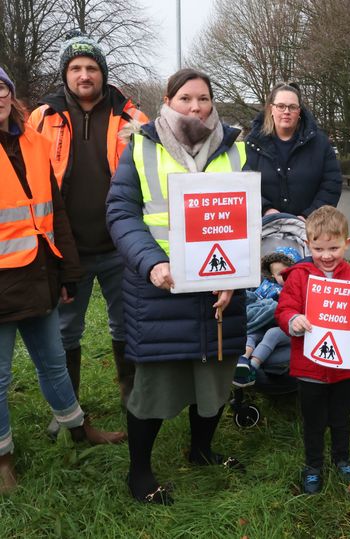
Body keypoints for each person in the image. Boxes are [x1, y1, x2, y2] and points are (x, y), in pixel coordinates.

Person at [106, 69, 247, 505]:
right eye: (185, 98)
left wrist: (235, 275)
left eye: (203, 98)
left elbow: (244, 217)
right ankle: (140, 473)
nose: (196, 107)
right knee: (156, 383)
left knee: (214, 378)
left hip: (219, 290)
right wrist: (152, 262)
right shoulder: (140, 148)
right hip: (160, 291)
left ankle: (202, 450)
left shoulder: (236, 148)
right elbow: (121, 213)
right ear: (168, 101)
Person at [0, 67, 126, 494]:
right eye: (76, 68)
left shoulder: (33, 142)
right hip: (2, 282)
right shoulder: (44, 121)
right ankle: (3, 458)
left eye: (2, 87)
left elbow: (54, 212)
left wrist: (67, 269)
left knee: (53, 360)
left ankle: (76, 427)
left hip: (39, 273)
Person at [28, 32, 149, 437]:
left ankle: (131, 394)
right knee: (65, 329)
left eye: (91, 68)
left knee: (126, 323)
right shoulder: (41, 117)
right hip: (66, 249)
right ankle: (67, 407)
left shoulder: (133, 116)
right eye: (76, 68)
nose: (84, 75)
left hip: (122, 244)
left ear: (103, 73)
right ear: (66, 74)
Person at [274, 206, 350, 495]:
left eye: (333, 247)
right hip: (310, 370)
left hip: (345, 369)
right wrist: (294, 320)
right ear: (308, 245)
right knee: (314, 421)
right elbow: (284, 309)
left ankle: (342, 458)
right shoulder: (299, 278)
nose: (326, 255)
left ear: (347, 244)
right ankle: (313, 465)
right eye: (318, 248)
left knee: (342, 418)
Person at [245, 82, 342, 218]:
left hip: (309, 230)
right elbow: (244, 186)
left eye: (292, 107)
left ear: (299, 111)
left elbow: (332, 184)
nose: (286, 111)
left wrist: (308, 216)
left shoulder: (320, 144)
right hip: (264, 228)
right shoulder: (253, 143)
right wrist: (266, 210)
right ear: (271, 109)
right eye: (281, 106)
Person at [232, 248, 301, 387]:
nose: (285, 277)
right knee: (251, 334)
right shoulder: (267, 286)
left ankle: (253, 366)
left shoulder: (299, 288)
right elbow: (254, 298)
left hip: (284, 328)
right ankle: (243, 361)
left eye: (289, 272)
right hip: (263, 323)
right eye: (279, 274)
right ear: (273, 276)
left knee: (272, 334)